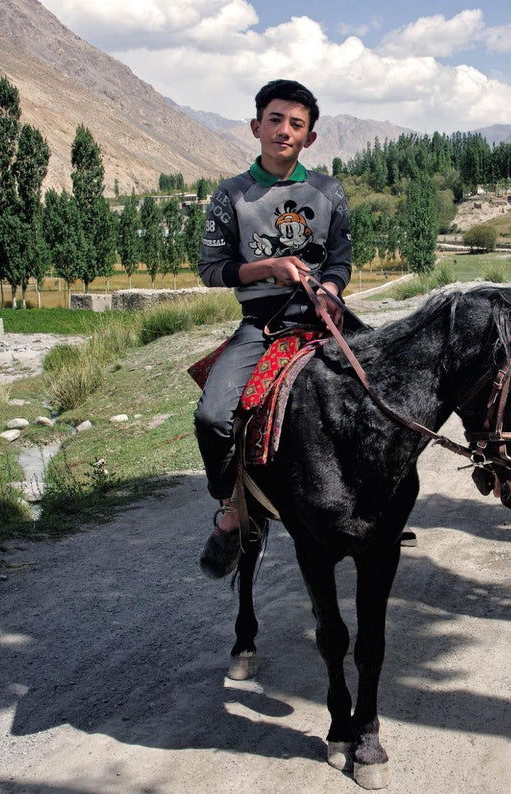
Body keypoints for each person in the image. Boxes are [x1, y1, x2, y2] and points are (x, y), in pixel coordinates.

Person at [194, 79, 353, 578]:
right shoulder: (231, 195)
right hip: (261, 326)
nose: (285, 130)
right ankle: (235, 510)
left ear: (310, 137)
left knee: (387, 393)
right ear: (256, 126)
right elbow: (211, 269)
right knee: (213, 417)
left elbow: (341, 261)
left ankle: (373, 507)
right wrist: (270, 268)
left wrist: (330, 289)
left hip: (321, 319)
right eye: (276, 120)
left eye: (297, 124)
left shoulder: (328, 191)